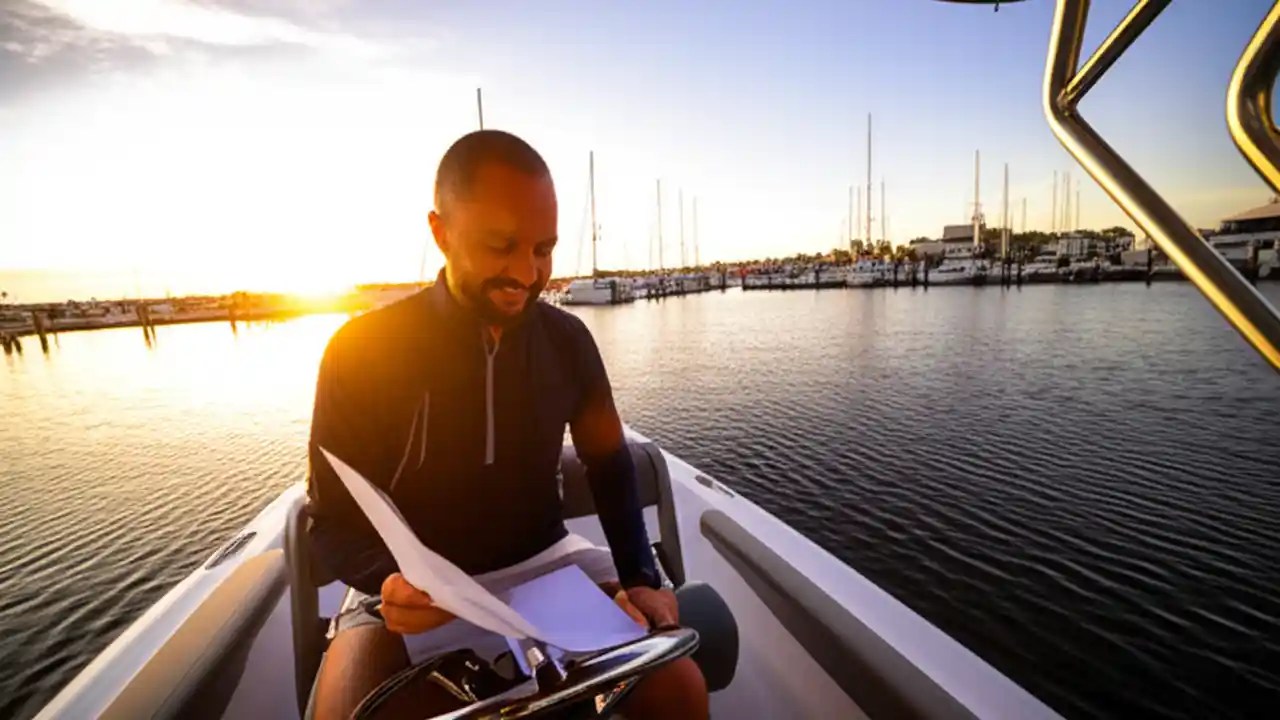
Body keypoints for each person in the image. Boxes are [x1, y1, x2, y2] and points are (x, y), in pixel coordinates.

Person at [305, 129, 708, 719]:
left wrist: (640, 573)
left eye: (544, 248)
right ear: (441, 232)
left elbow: (609, 463)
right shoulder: (361, 351)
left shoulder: (568, 341)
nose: (528, 271)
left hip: (548, 562)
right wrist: (388, 579)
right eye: (503, 245)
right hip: (409, 592)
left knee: (680, 688)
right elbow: (331, 521)